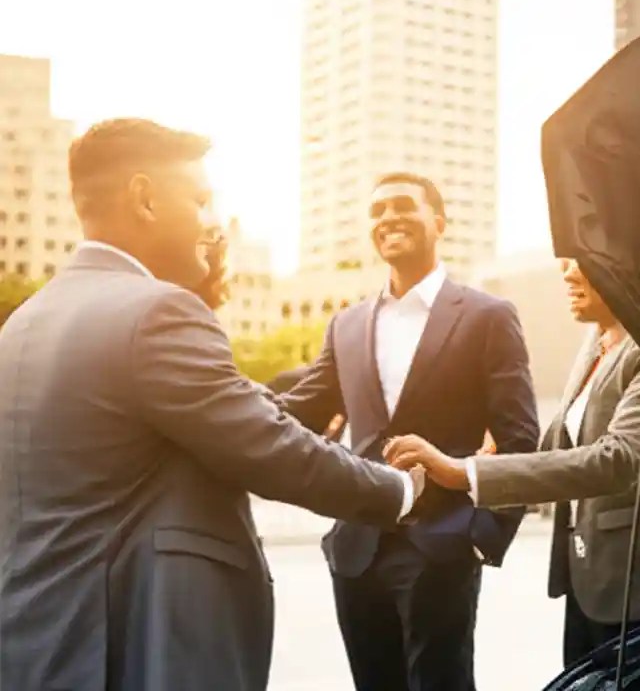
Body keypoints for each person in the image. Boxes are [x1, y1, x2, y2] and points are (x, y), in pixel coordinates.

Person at [0, 118, 427, 691]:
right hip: (133, 646)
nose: (210, 221)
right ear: (145, 198)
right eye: (200, 200)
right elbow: (267, 447)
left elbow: (217, 416)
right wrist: (398, 490)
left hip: (37, 645)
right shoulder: (156, 311)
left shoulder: (23, 324)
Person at [385, 258, 640, 666]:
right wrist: (473, 460)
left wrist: (464, 474)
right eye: (563, 261)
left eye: (579, 260)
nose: (566, 273)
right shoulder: (598, 342)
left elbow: (618, 460)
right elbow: (562, 450)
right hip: (590, 587)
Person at [277, 171, 539, 691]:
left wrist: (480, 536)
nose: (388, 218)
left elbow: (520, 438)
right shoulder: (346, 325)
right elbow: (300, 407)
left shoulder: (487, 316)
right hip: (357, 550)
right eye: (377, 211)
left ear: (438, 223)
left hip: (442, 547)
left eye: (403, 206)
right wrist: (216, 411)